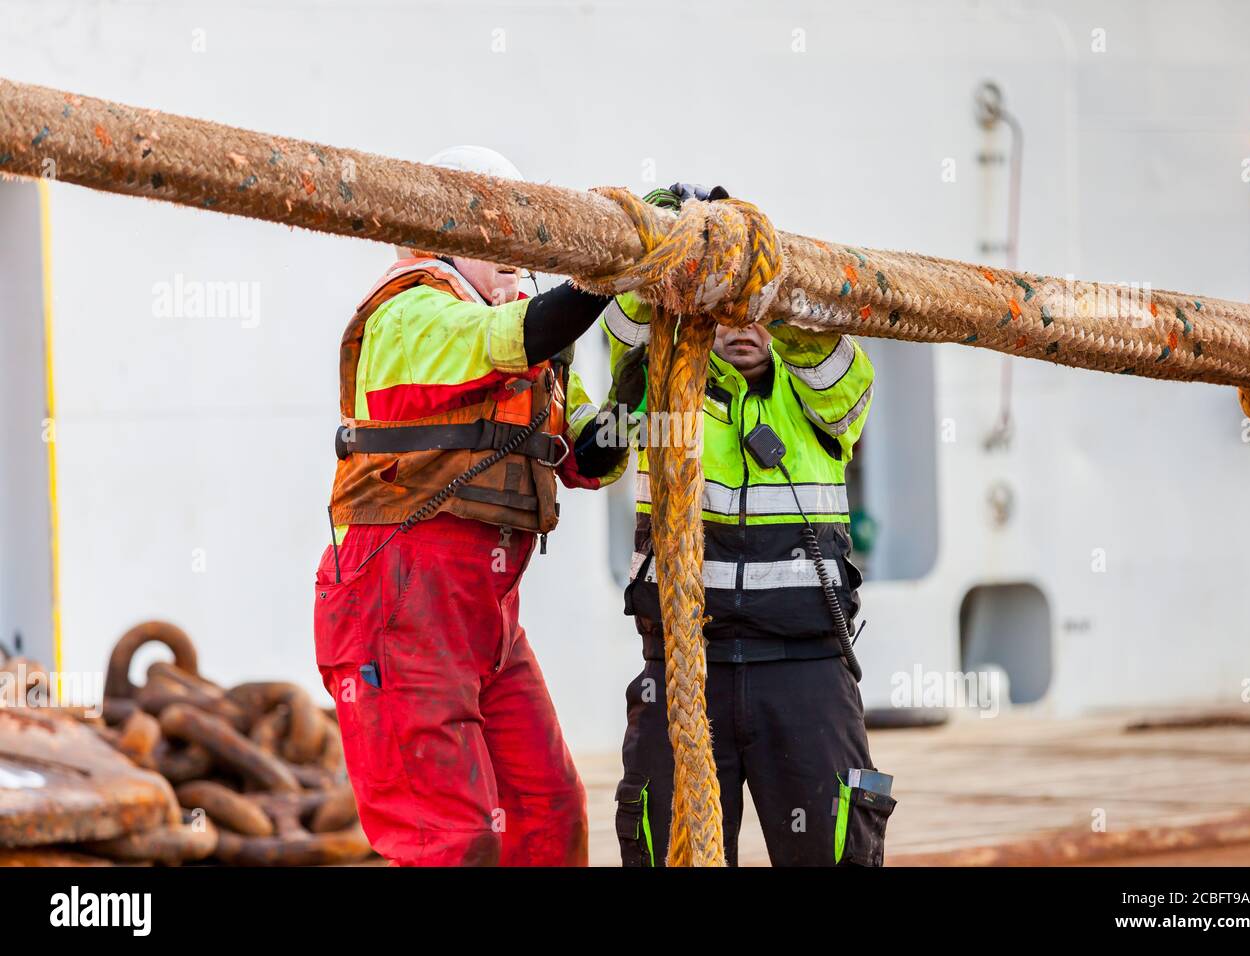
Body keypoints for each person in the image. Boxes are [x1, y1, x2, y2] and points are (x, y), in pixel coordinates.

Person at [314, 146, 624, 866]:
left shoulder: (517, 328)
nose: (518, 247)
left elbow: (584, 455)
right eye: (500, 228)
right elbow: (508, 341)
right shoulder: (411, 313)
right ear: (447, 234)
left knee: (547, 811)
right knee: (448, 840)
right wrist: (612, 274)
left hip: (483, 616)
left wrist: (633, 402)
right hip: (397, 606)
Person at [602, 184, 895, 866]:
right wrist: (656, 234)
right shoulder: (659, 380)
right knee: (661, 849)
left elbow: (830, 361)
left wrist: (758, 283)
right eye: (723, 310)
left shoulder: (824, 389)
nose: (738, 326)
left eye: (752, 311)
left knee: (836, 854)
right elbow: (617, 323)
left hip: (804, 674)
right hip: (679, 672)